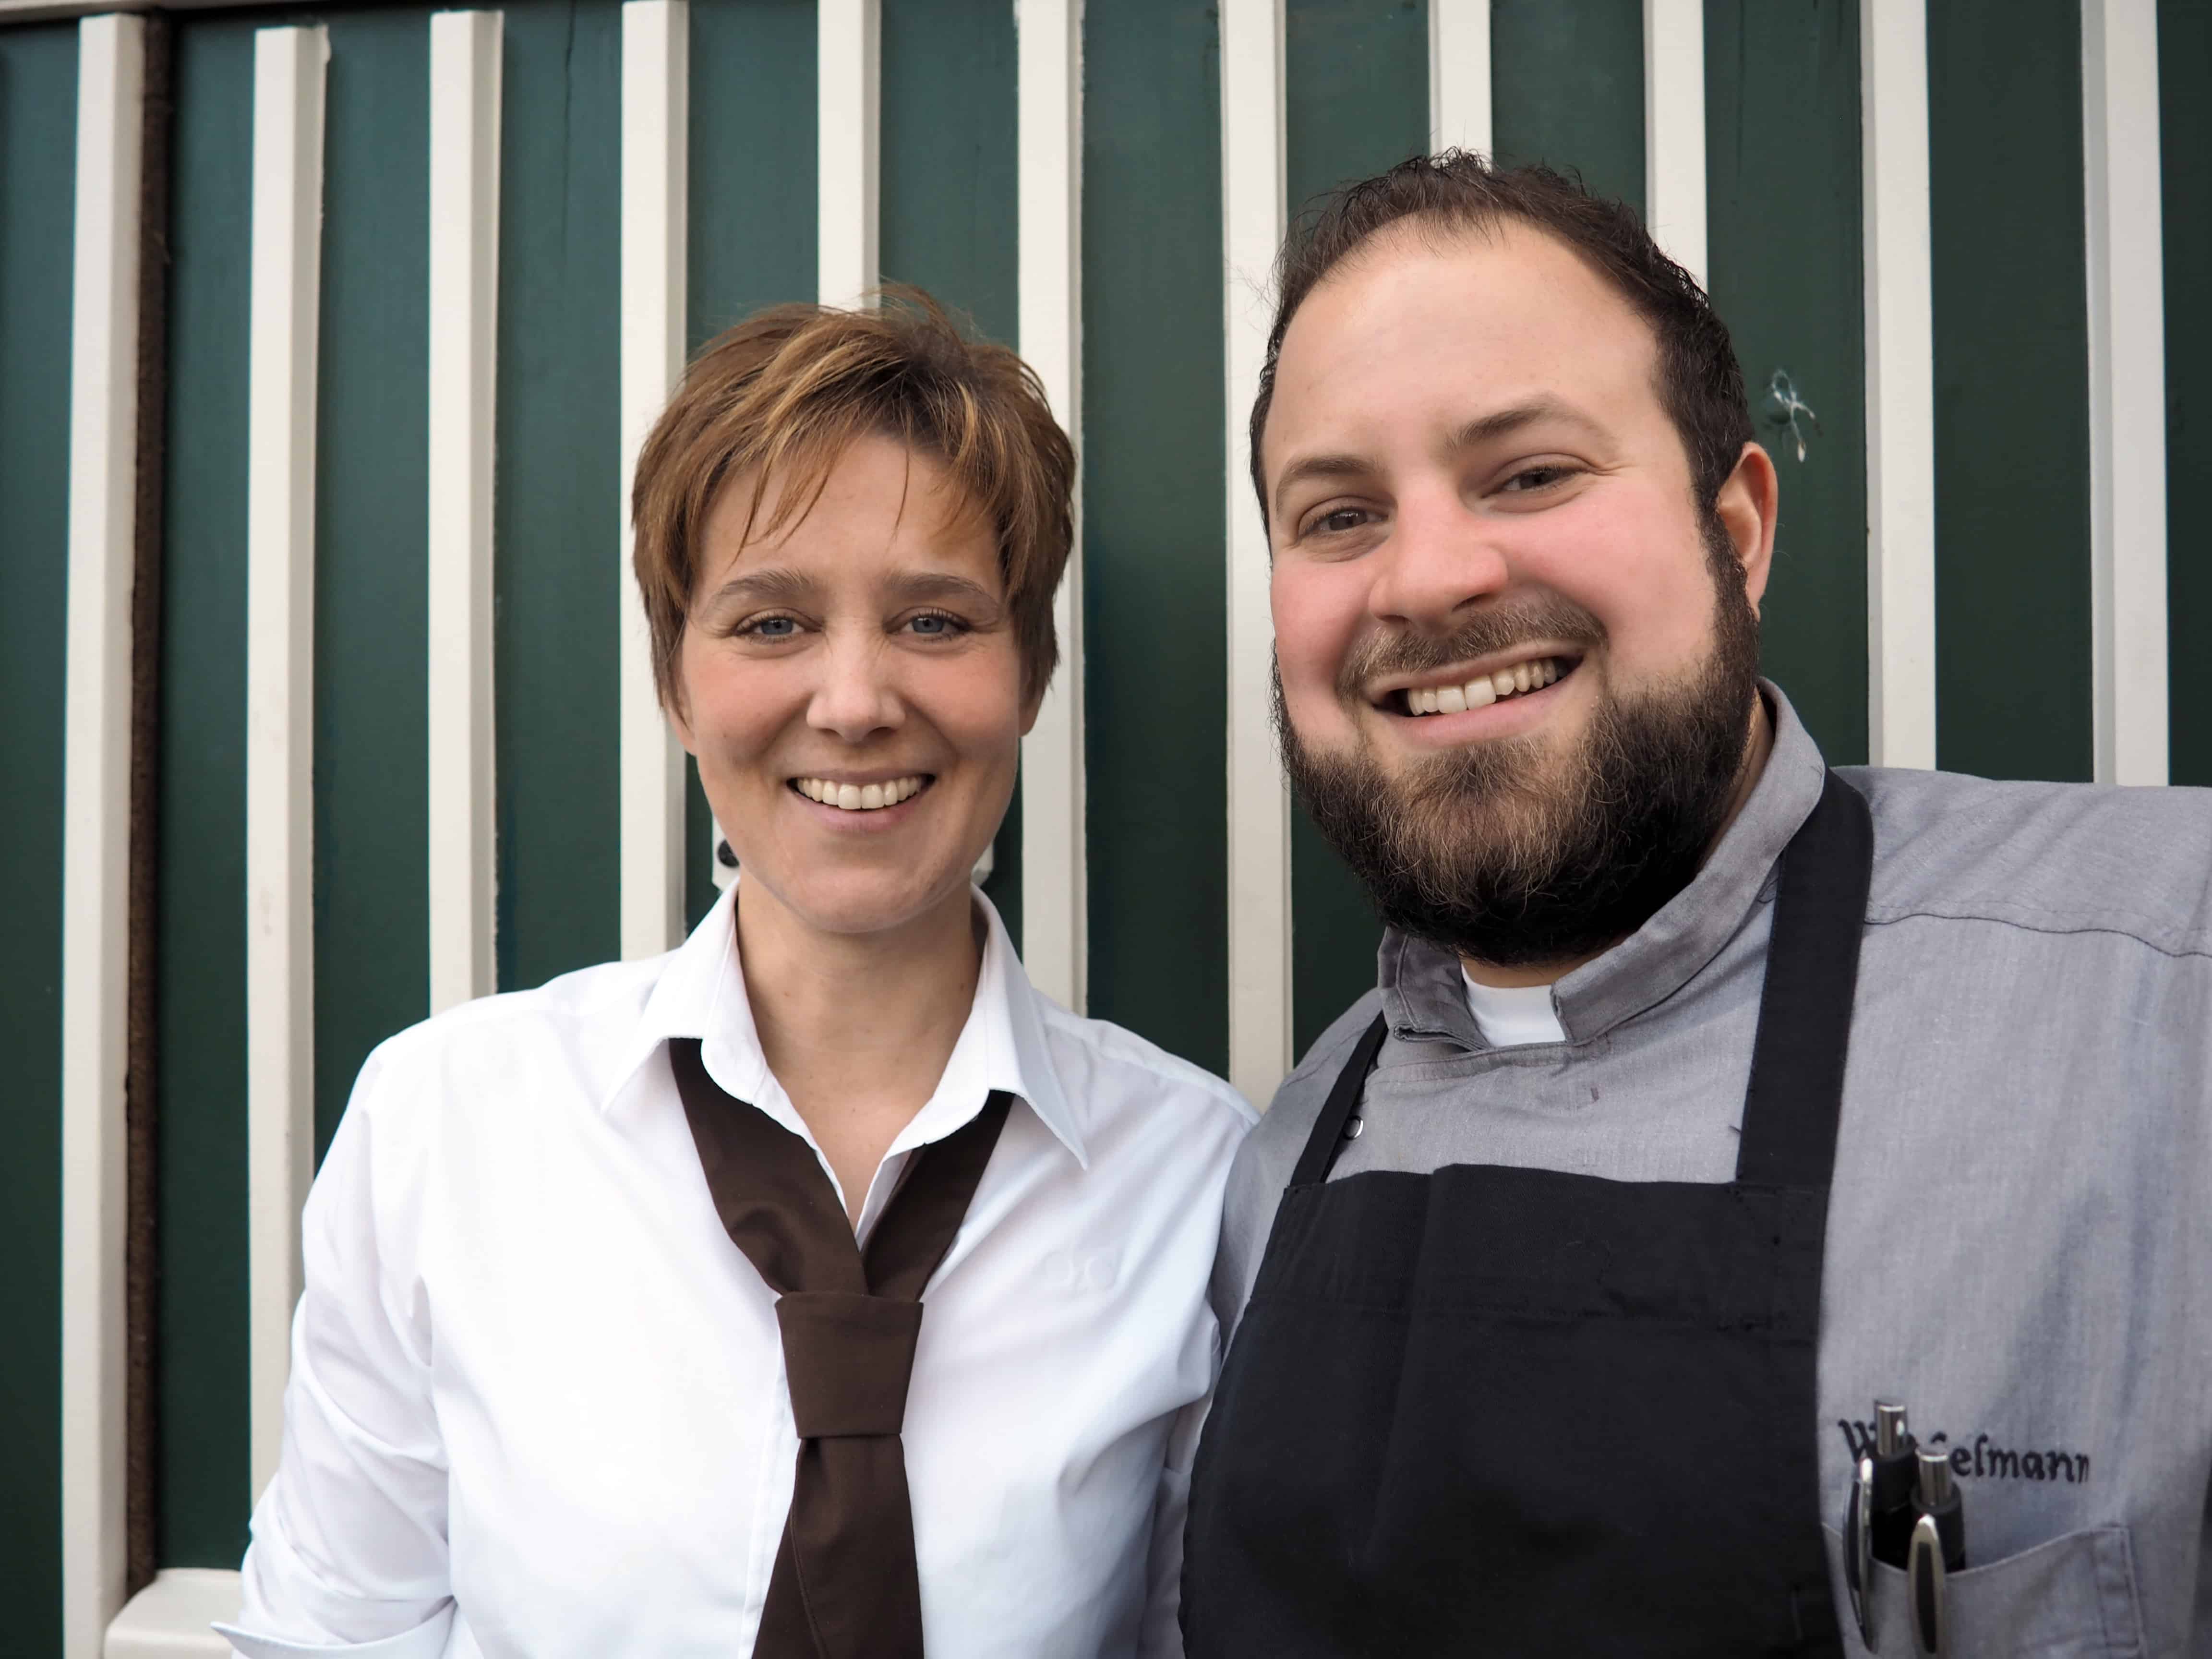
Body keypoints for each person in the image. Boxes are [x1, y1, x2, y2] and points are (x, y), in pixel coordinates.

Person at [1180, 153, 2212, 1658]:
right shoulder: (1283, 1165)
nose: (1432, 577)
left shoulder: (2165, 987)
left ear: (1738, 531)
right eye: (1337, 515)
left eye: (1529, 472)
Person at [220, 295, 1251, 1659]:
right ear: (675, 681)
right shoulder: (444, 1127)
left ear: (1031, 673)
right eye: (771, 625)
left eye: (935, 621)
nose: (854, 700)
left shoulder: (1196, 1172)